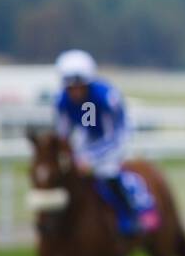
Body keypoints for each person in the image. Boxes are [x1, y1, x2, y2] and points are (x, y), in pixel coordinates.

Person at [52, 49, 138, 232]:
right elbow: (65, 133)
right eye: (70, 87)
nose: (75, 92)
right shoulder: (62, 101)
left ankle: (128, 214)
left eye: (79, 86)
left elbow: (113, 136)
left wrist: (90, 159)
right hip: (91, 137)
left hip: (117, 136)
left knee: (107, 170)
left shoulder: (105, 97)